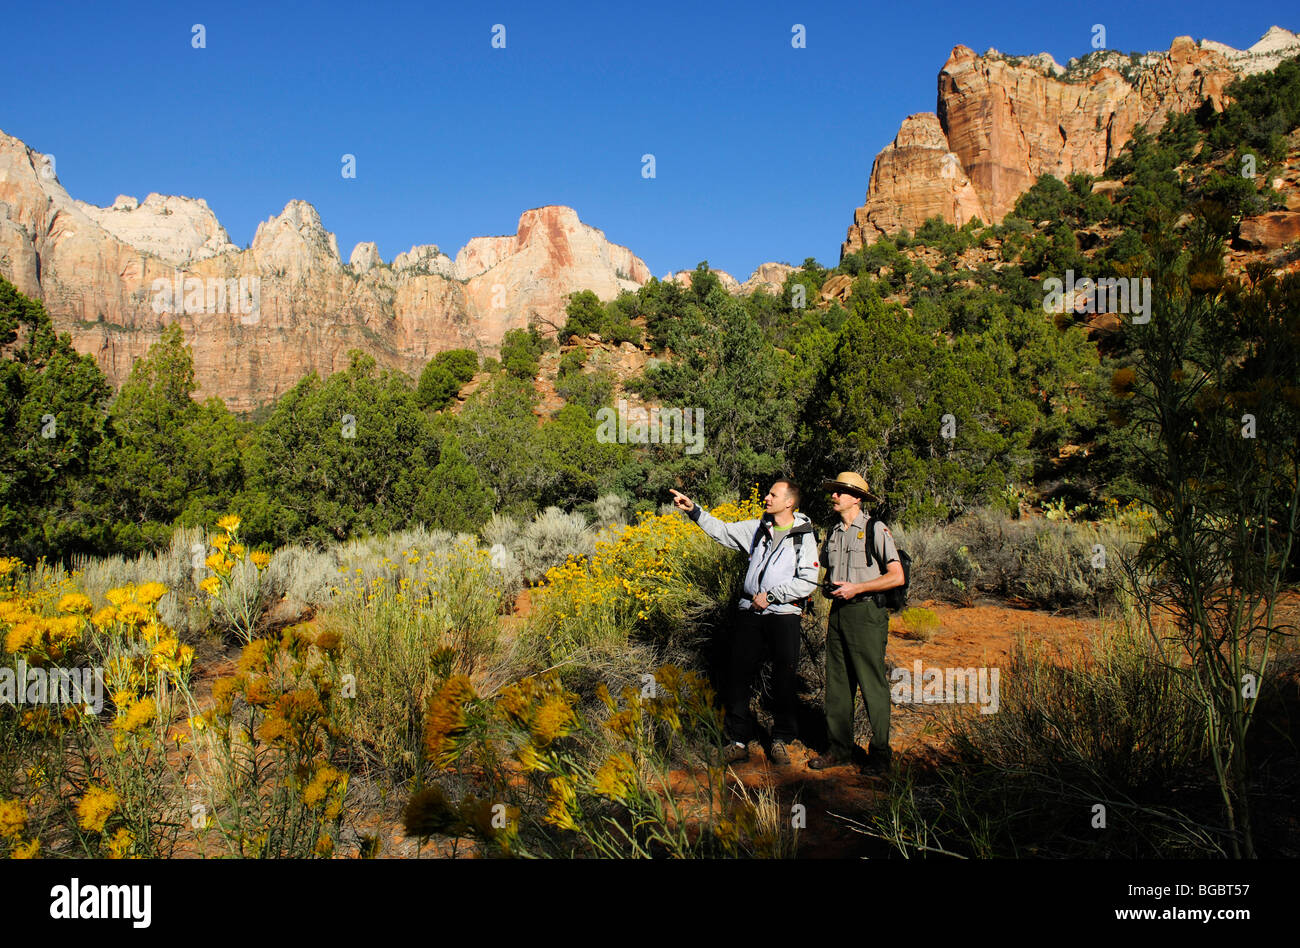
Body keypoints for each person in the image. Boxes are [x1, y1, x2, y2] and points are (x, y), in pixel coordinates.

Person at [669, 480, 819, 766]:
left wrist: (774, 595)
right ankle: (737, 740)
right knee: (738, 674)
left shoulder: (804, 536)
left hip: (784, 614)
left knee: (783, 678)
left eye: (773, 495)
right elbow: (723, 532)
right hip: (749, 610)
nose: (766, 498)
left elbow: (808, 581)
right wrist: (694, 511)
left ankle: (781, 739)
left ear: (789, 502)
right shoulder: (758, 528)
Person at [807, 472, 905, 775]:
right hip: (838, 612)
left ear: (857, 498)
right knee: (837, 683)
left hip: (866, 613)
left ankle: (880, 755)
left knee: (871, 682)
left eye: (841, 492)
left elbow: (896, 576)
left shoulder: (875, 529)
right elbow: (823, 570)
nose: (834, 496)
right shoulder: (833, 532)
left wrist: (857, 588)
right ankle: (839, 749)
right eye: (834, 491)